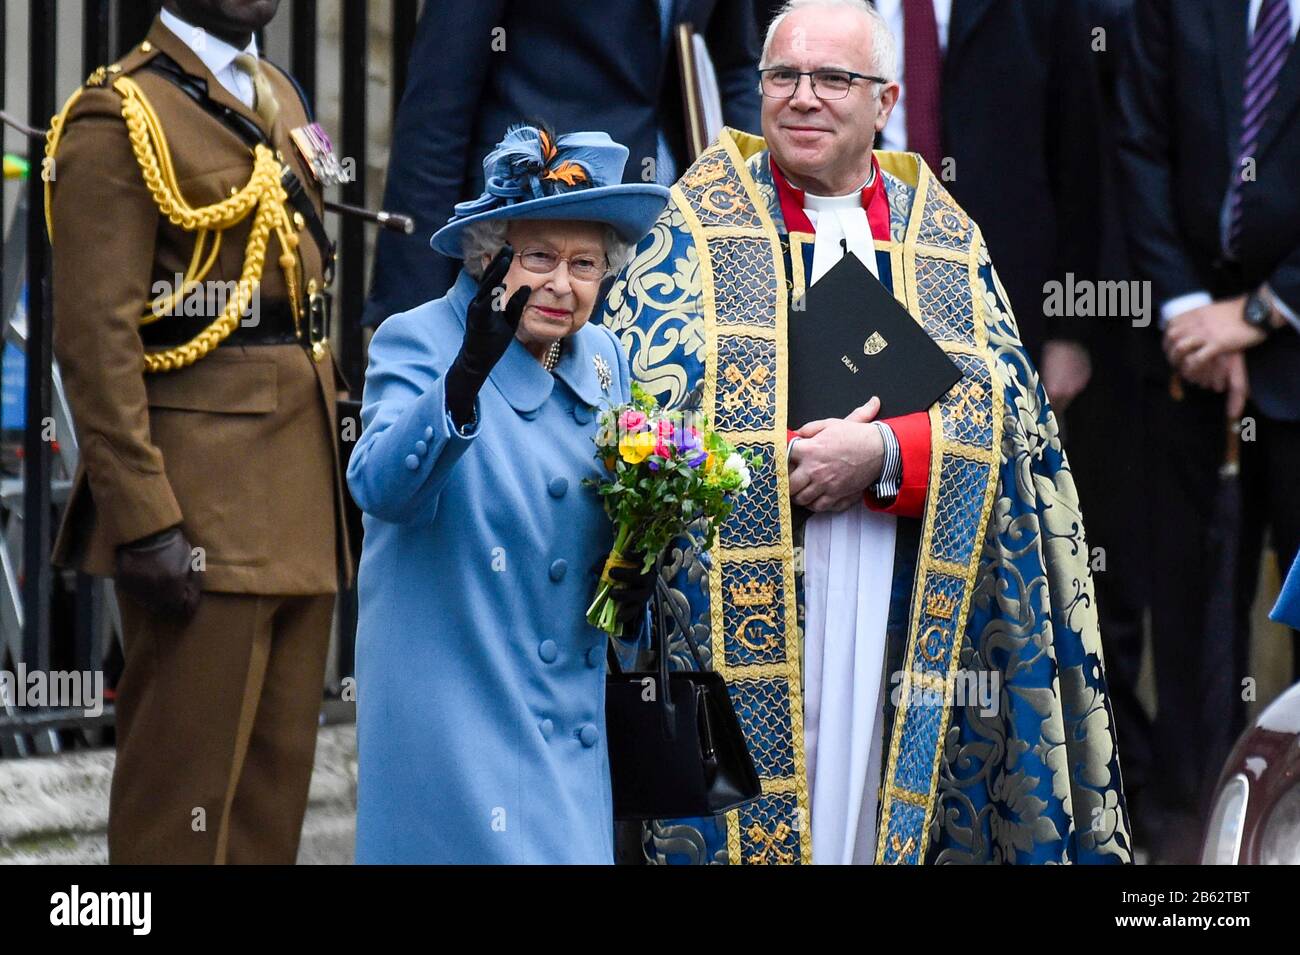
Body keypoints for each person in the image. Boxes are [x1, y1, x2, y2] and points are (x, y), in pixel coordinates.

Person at [606, 0, 1130, 864]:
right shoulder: (693, 227)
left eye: (832, 79)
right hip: (741, 624)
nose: (803, 97)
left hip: (903, 607)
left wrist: (886, 456)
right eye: (784, 76)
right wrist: (767, 462)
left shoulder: (943, 237)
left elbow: (1012, 421)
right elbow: (632, 413)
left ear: (884, 102)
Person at [44, 0, 352, 863]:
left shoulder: (281, 96)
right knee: (176, 815)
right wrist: (145, 518)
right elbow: (96, 344)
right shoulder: (120, 114)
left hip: (300, 496)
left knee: (269, 804)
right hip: (200, 507)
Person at [347, 125, 670, 863]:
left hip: (565, 723)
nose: (563, 283)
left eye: (585, 262)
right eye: (539, 258)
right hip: (458, 719)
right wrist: (464, 377)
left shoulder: (605, 359)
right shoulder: (418, 339)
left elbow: (604, 545)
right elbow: (379, 488)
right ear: (490, 261)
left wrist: (634, 571)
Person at [1116, 0, 1300, 864]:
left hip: (1292, 358)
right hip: (1186, 365)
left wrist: (1257, 317)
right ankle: (1198, 852)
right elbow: (1140, 144)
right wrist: (1194, 314)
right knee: (1191, 620)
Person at [361, 0, 762, 328]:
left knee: (646, 424)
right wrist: (410, 310)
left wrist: (764, 207)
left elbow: (735, 66)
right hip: (536, 231)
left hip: (667, 242)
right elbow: (438, 105)